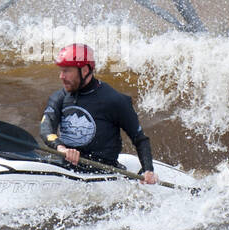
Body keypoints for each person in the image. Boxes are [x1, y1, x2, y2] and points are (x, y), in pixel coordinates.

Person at [40, 43, 158, 185]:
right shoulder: (59, 97)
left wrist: (148, 170)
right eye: (61, 71)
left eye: (67, 71)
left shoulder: (115, 100)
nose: (61, 76)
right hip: (66, 170)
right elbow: (46, 128)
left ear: (84, 70)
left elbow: (140, 139)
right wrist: (61, 148)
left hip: (102, 174)